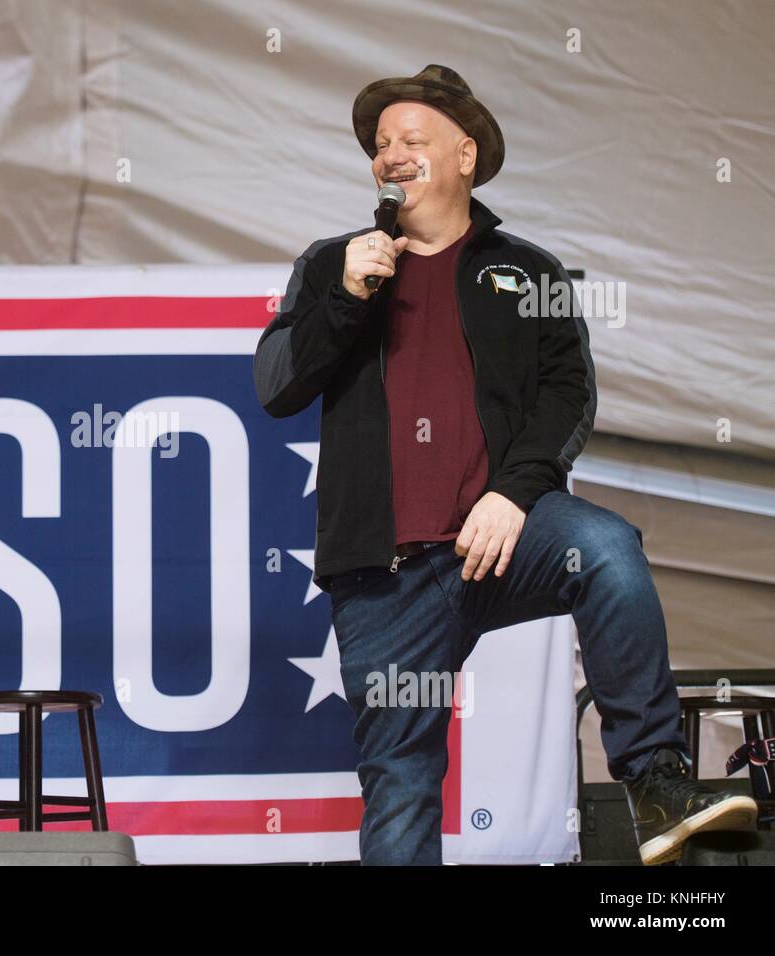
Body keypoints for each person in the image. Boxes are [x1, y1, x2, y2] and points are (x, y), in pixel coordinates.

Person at [252, 64, 757, 865]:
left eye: (412, 139)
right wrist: (345, 298)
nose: (391, 154)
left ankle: (656, 781)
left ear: (465, 155)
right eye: (380, 144)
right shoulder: (330, 265)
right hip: (383, 574)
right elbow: (277, 385)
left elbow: (567, 396)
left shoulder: (526, 271)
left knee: (607, 551)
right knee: (400, 781)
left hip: (500, 535)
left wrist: (514, 495)